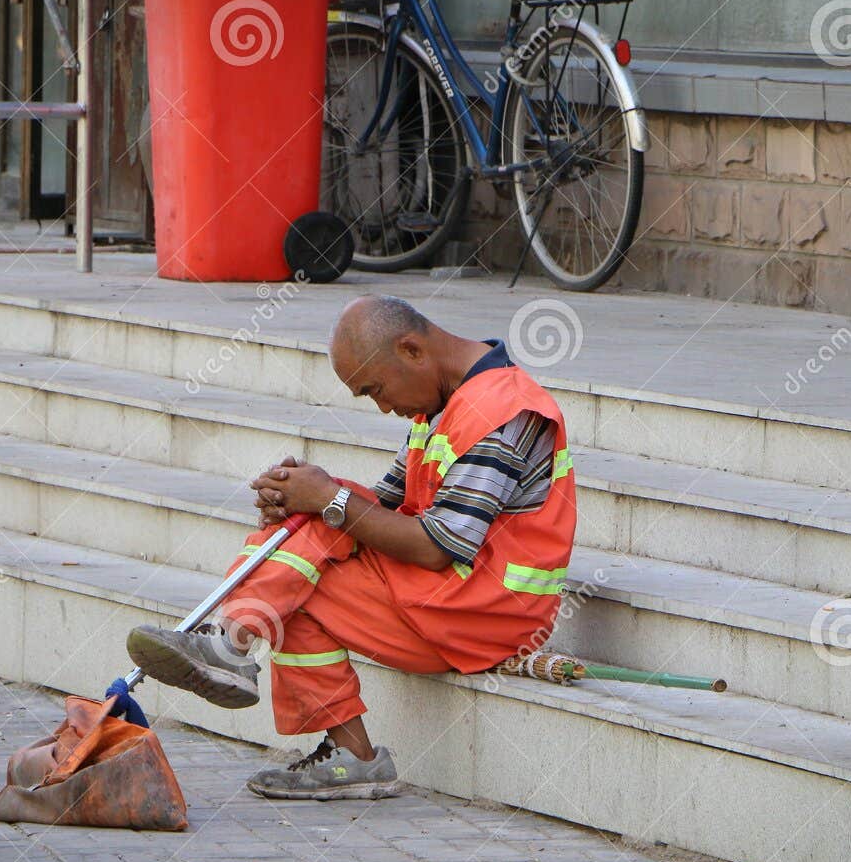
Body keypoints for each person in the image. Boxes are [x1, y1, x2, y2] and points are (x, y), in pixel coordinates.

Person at [127, 294, 576, 799]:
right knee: (305, 537)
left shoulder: (502, 410)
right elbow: (377, 508)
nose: (385, 407)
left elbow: (437, 546)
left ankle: (230, 643)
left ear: (411, 350)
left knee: (316, 532)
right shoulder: (445, 404)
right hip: (450, 602)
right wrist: (299, 500)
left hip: (493, 616)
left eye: (377, 390)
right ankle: (346, 753)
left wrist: (328, 499)